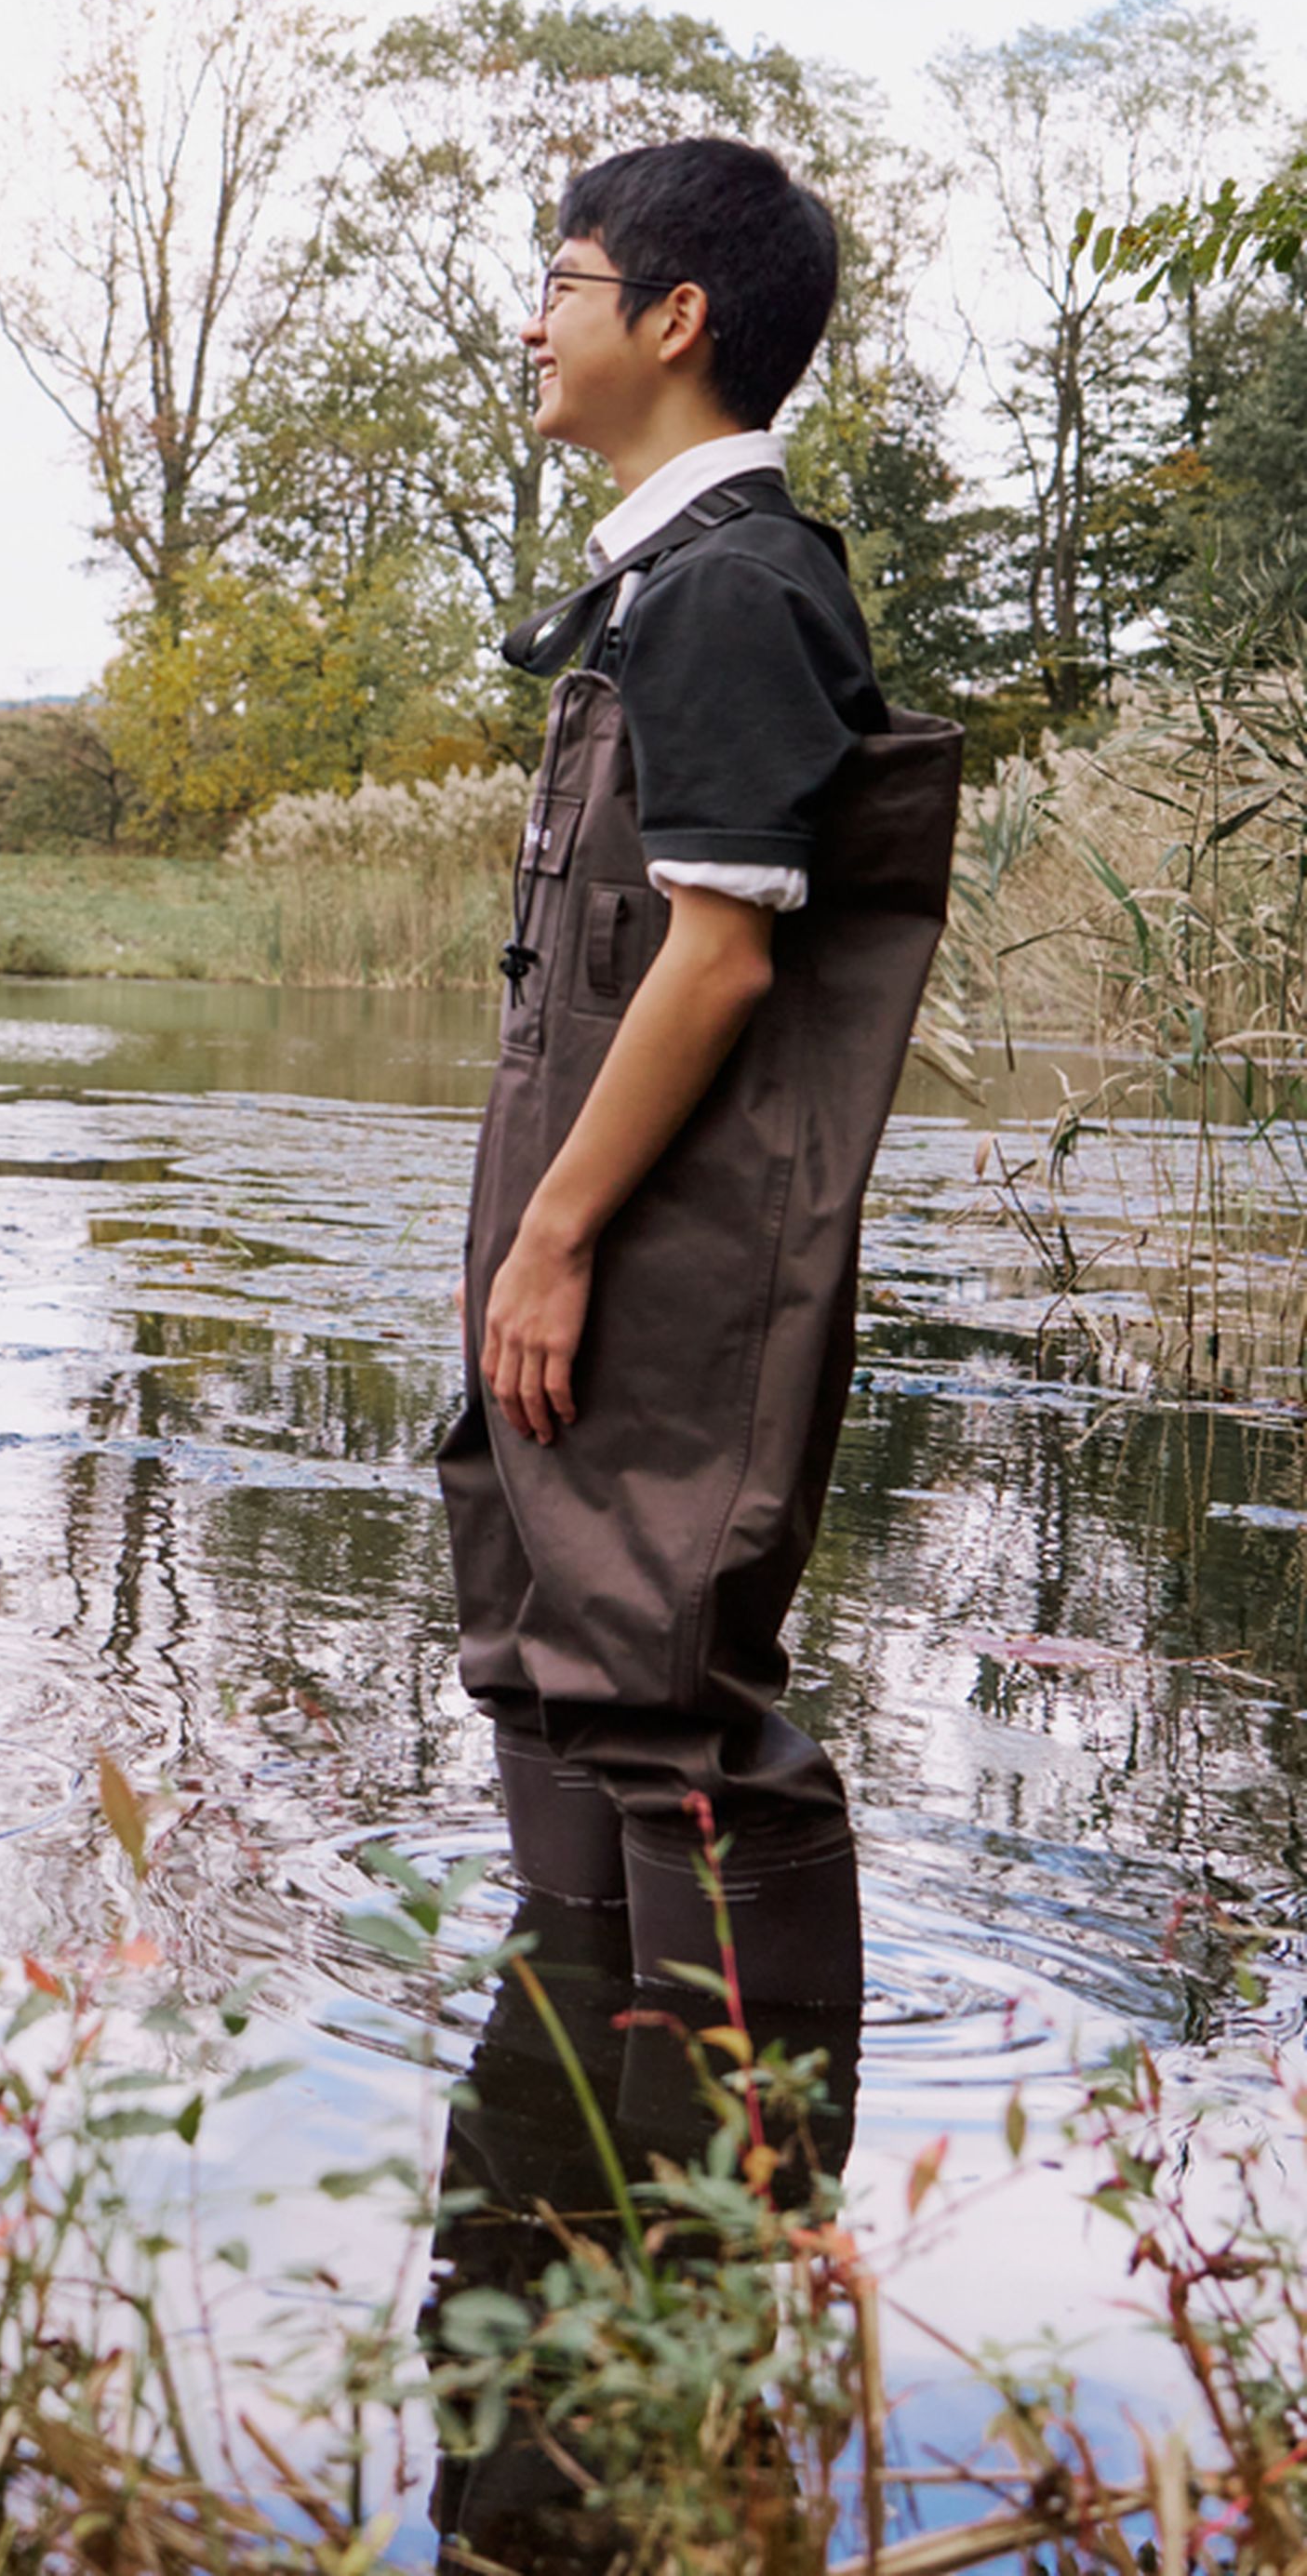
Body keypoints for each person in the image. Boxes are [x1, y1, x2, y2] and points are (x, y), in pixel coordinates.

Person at [446, 138, 958, 2019]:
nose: (531, 319)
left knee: (663, 1667)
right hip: (586, 1217)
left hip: (670, 1236)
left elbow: (724, 957)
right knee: (542, 1622)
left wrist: (557, 1237)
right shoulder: (658, 582)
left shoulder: (738, 586)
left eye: (562, 281)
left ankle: (729, 2226)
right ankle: (567, 2111)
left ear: (675, 319)